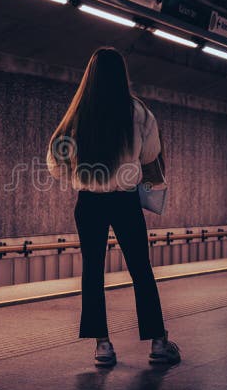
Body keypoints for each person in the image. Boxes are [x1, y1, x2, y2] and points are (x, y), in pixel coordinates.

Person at [46, 46, 180, 367]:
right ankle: (158, 343)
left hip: (89, 201)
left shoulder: (79, 113)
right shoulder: (138, 112)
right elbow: (150, 155)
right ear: (122, 74)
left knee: (93, 271)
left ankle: (102, 346)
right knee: (140, 268)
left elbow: (55, 160)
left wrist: (81, 174)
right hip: (124, 200)